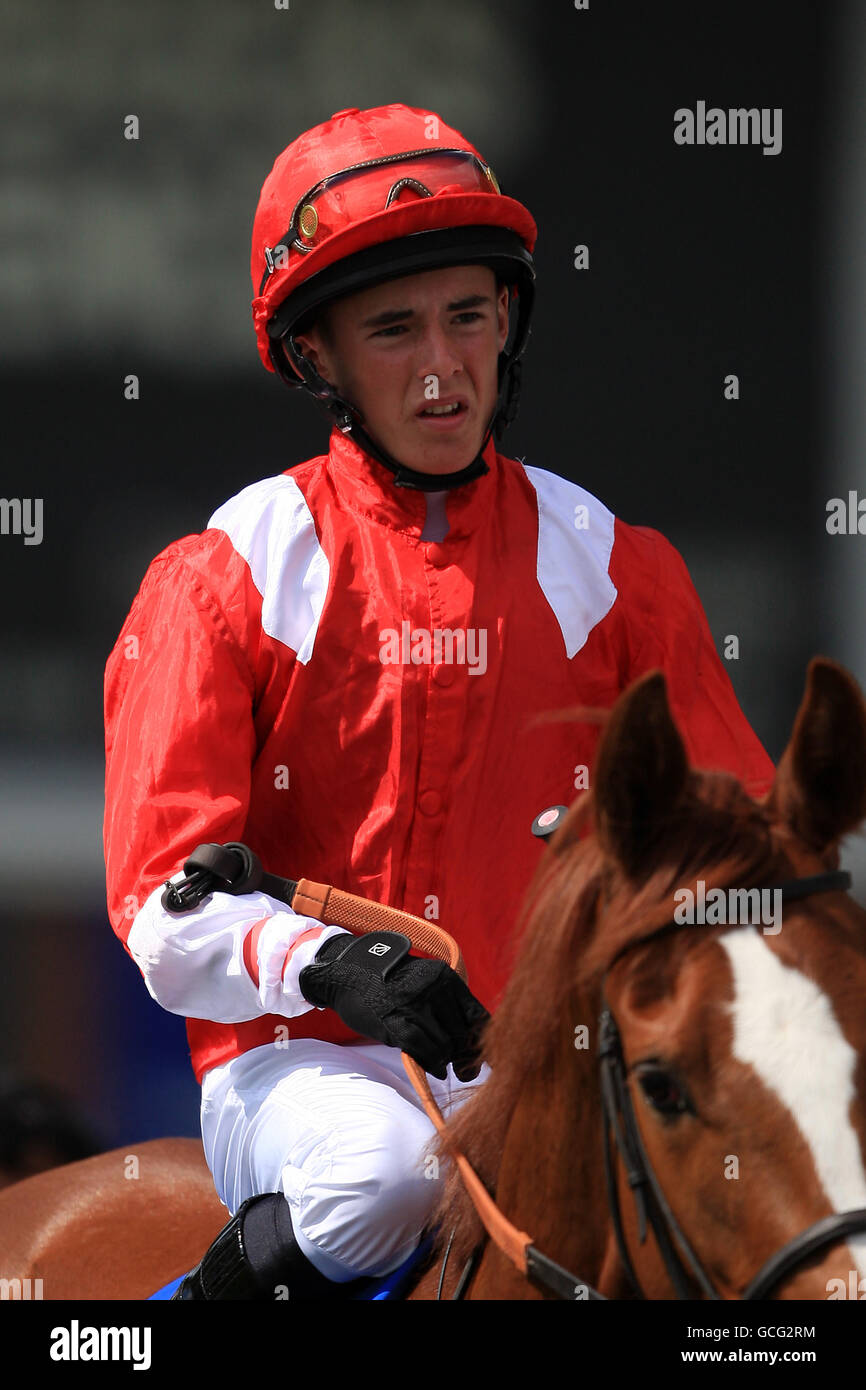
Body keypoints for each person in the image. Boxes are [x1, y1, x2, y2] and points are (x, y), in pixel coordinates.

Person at [103, 104, 775, 1299]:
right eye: (392, 329)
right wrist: (330, 966)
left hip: (552, 1069)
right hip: (299, 1075)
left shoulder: (616, 567)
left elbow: (732, 852)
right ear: (317, 355)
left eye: (467, 316)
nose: (438, 365)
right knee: (385, 1173)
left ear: (507, 321)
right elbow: (161, 911)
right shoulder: (229, 574)